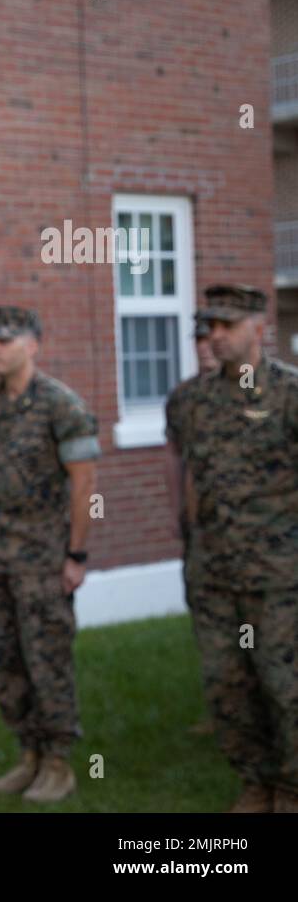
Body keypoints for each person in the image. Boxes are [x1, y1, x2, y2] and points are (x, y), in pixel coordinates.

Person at [0, 305, 99, 803]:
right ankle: (28, 756)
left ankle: (58, 762)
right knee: (5, 659)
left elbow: (84, 485)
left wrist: (76, 555)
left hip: (43, 560)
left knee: (48, 659)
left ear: (33, 345)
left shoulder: (62, 406)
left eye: (5, 340)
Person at [179, 283, 298, 813]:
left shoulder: (290, 394)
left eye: (227, 326)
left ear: (259, 327)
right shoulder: (191, 400)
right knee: (228, 683)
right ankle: (255, 781)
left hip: (279, 574)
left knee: (284, 684)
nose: (215, 337)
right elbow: (185, 471)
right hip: (214, 573)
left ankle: (292, 789)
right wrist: (183, 534)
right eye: (210, 327)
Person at [162, 312, 221, 736]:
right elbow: (173, 457)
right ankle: (224, 710)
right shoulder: (184, 399)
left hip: (257, 537)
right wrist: (175, 510)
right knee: (208, 620)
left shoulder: (267, 393)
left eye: (210, 338)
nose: (203, 346)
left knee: (258, 629)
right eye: (197, 339)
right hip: (201, 535)